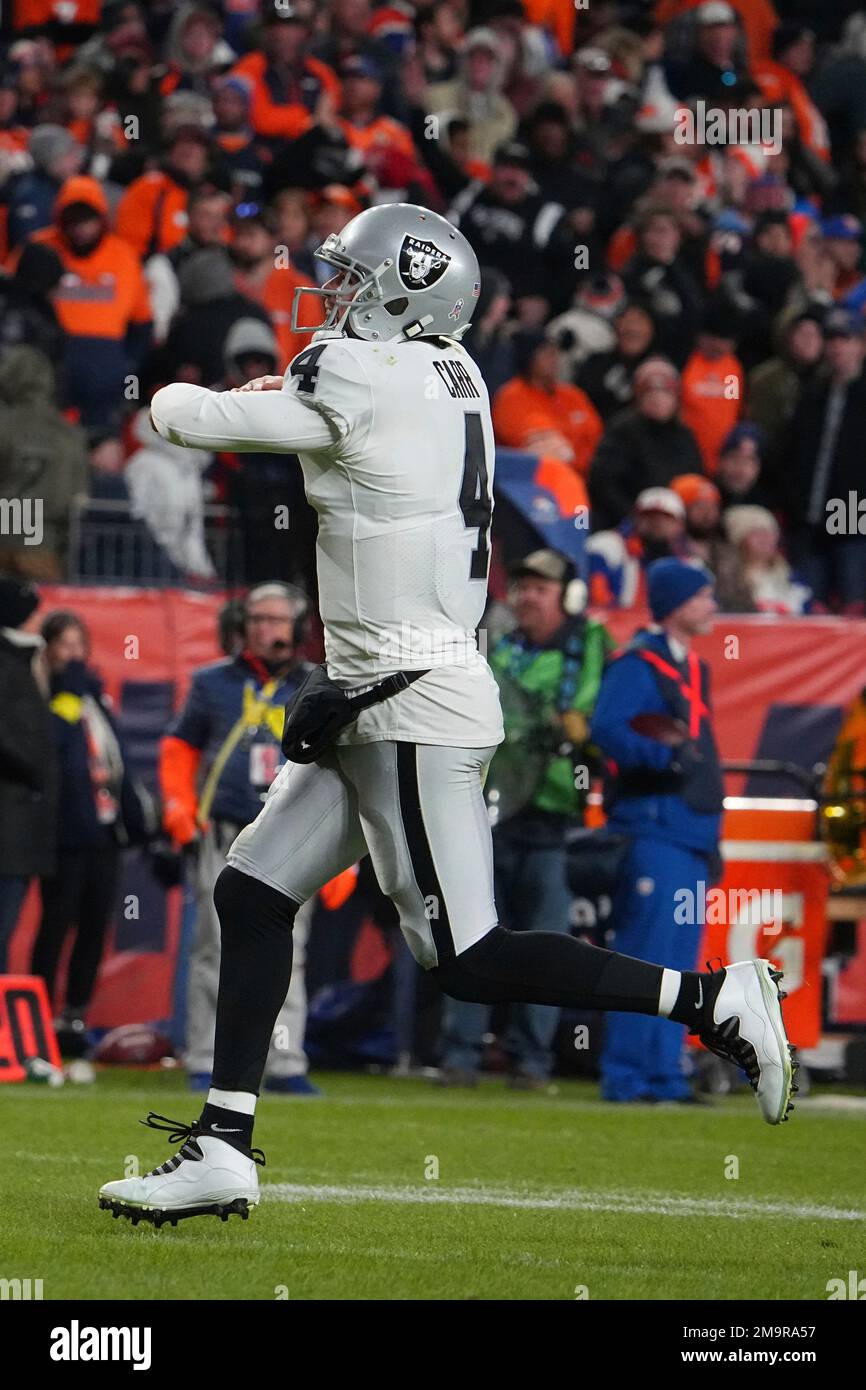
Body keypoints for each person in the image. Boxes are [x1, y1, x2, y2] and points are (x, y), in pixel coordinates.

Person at [98, 203, 796, 1227]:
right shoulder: (453, 373)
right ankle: (222, 1146)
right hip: (383, 688)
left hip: (410, 698)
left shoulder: (362, 376)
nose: (331, 297)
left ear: (406, 291)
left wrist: (208, 387)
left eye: (350, 278)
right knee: (250, 894)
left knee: (467, 957)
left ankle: (712, 999)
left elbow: (178, 416)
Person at [439, 549, 613, 1089]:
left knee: (544, 943)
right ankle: (460, 1055)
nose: (527, 597)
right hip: (489, 814)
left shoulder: (588, 645)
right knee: (471, 937)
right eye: (522, 587)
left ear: (568, 597)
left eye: (541, 588)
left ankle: (531, 1060)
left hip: (552, 816)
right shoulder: (500, 648)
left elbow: (579, 716)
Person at [158, 582, 321, 1095]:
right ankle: (205, 1057)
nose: (262, 629)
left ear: (296, 629)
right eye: (255, 619)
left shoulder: (318, 684)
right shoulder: (212, 683)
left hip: (291, 833)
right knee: (213, 947)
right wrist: (180, 810)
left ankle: (285, 1060)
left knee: (290, 950)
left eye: (274, 620)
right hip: (225, 832)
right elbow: (179, 748)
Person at [590, 558, 724, 1103]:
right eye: (703, 595)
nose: (712, 604)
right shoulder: (637, 663)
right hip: (652, 829)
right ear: (677, 605)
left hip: (688, 834)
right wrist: (661, 760)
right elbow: (605, 727)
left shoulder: (692, 668)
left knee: (679, 961)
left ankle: (665, 1073)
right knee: (646, 957)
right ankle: (626, 1075)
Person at [30, 610, 149, 1055]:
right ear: (49, 650)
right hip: (65, 835)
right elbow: (52, 752)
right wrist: (66, 697)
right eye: (65, 645)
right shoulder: (45, 695)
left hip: (103, 832)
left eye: (80, 644)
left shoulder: (96, 698)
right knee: (56, 924)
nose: (75, 654)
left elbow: (117, 761)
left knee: (96, 926)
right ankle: (36, 1019)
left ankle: (74, 1017)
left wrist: (135, 817)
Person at [0, 578, 57, 973]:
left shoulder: (23, 662)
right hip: (9, 827)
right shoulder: (8, 663)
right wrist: (34, 768)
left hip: (20, 829)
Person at [588, 356, 705, 530]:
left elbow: (696, 481)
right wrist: (633, 518)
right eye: (649, 392)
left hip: (676, 523)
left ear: (676, 397)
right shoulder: (622, 431)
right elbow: (602, 482)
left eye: (665, 392)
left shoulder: (685, 436)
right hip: (627, 522)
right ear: (638, 396)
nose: (657, 399)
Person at [492, 331, 603, 478]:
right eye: (545, 353)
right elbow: (552, 451)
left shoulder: (573, 394)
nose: (553, 359)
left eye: (554, 353)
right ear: (528, 358)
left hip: (586, 479)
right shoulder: (512, 396)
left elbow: (598, 439)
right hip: (534, 481)